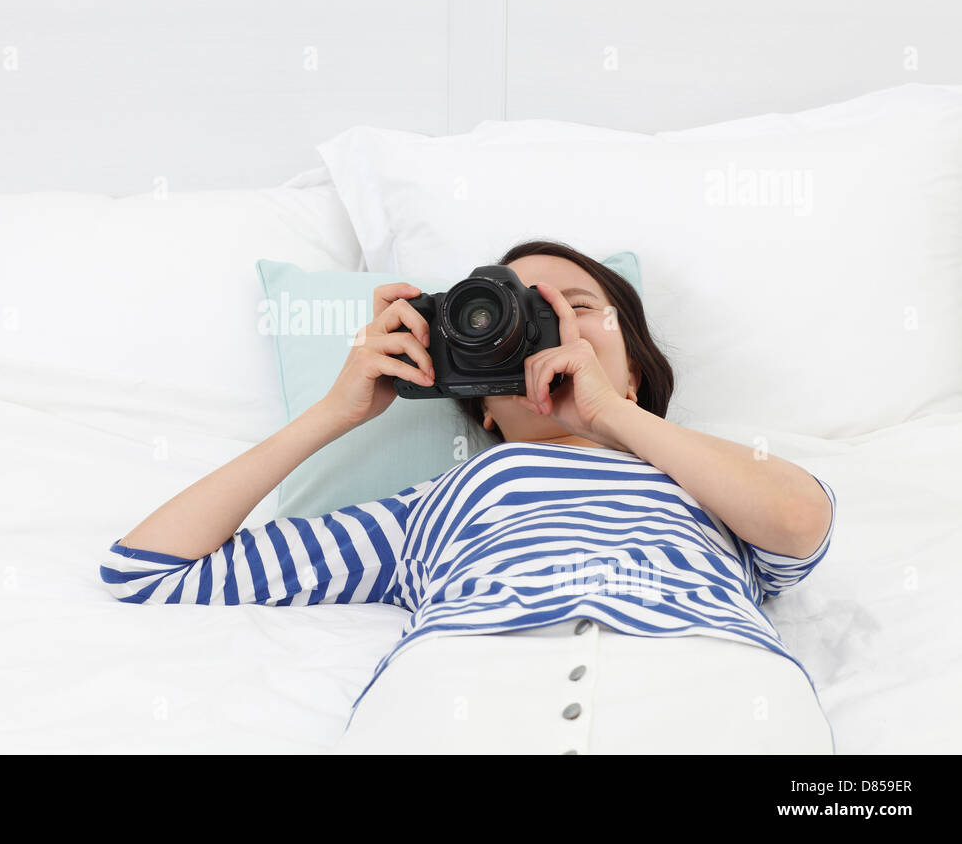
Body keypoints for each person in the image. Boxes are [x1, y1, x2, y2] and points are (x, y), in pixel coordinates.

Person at [98, 239, 837, 754]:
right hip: (463, 685)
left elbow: (800, 521)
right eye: (516, 319)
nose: (556, 334)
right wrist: (335, 412)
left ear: (635, 370)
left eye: (577, 308)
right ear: (481, 401)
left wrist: (611, 415)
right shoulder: (441, 499)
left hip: (706, 679)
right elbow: (148, 568)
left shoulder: (705, 475)